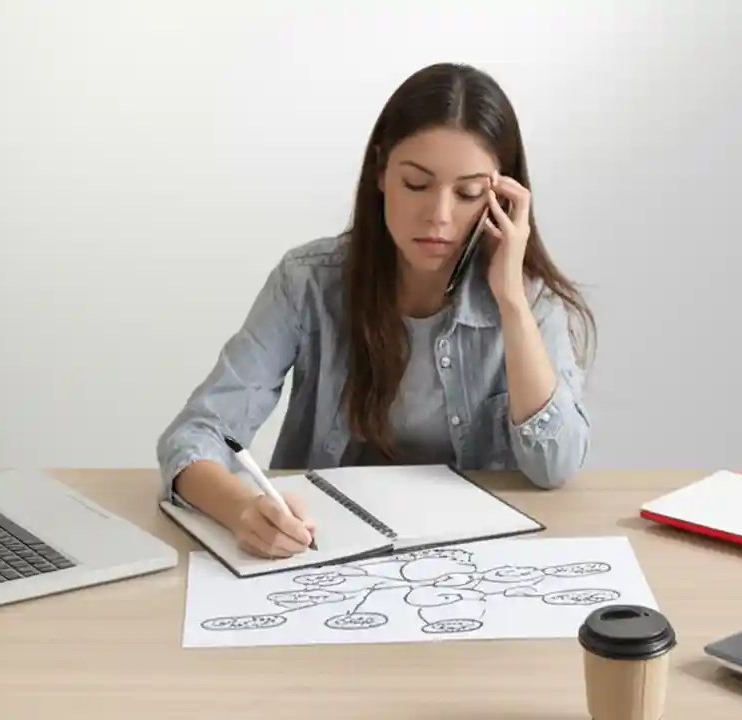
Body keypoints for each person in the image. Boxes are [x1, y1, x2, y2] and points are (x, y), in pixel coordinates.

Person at [156, 62, 596, 559]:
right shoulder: (307, 282)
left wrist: (512, 302)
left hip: (477, 560)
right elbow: (195, 435)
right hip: (327, 555)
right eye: (416, 184)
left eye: (469, 193)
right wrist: (243, 510)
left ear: (501, 197)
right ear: (381, 172)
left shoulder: (530, 299)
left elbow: (555, 465)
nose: (440, 216)